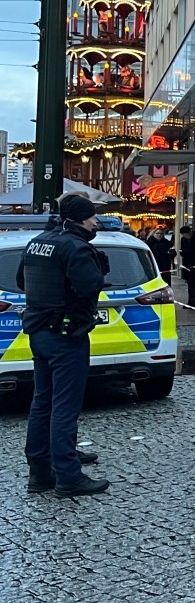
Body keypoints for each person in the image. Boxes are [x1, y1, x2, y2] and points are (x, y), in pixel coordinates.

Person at [19, 193, 109, 498]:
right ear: (82, 218)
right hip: (67, 335)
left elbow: (22, 281)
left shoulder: (39, 241)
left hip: (38, 333)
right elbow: (89, 286)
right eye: (93, 216)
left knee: (42, 402)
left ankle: (40, 472)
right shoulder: (76, 247)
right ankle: (69, 476)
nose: (96, 221)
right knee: (64, 407)